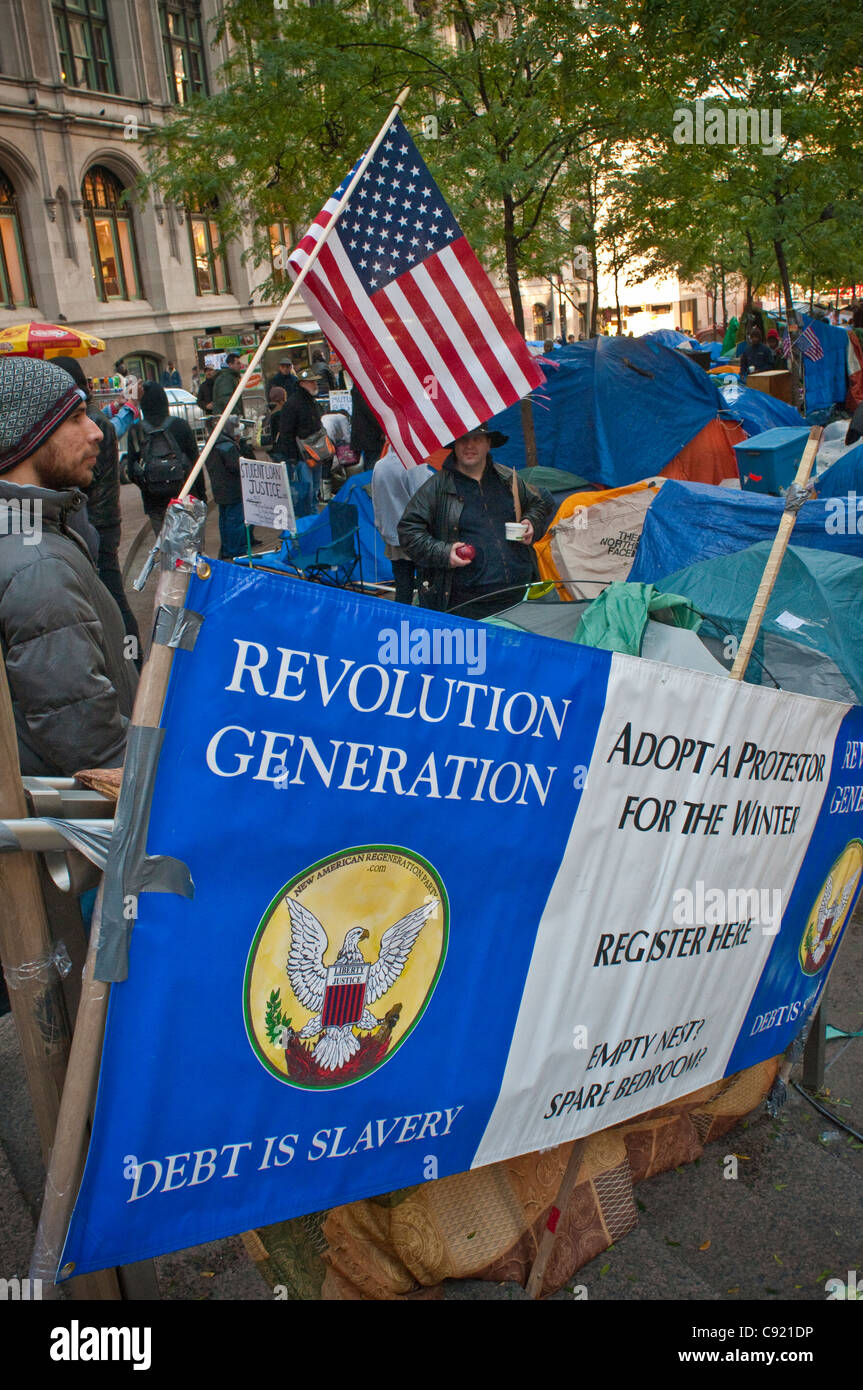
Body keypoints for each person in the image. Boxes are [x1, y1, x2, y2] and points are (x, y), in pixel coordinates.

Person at [0, 356, 137, 775]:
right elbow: (94, 750)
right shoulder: (37, 566)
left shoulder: (37, 537)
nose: (96, 431)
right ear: (29, 434)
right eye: (75, 418)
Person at [398, 424, 553, 617]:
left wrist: (531, 522)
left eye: (477, 439)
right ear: (454, 445)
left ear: (488, 444)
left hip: (520, 596)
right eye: (463, 439)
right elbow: (408, 532)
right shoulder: (436, 488)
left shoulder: (507, 478)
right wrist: (444, 553)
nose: (469, 445)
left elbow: (540, 503)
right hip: (468, 603)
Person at [50, 356, 140, 650]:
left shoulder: (93, 420)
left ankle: (132, 658)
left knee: (112, 596)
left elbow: (91, 475)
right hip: (97, 518)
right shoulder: (90, 416)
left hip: (98, 520)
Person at [126, 382, 205, 535]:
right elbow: (196, 463)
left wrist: (150, 485)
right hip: (185, 496)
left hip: (155, 502)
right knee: (189, 547)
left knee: (164, 548)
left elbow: (132, 470)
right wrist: (201, 495)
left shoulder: (136, 431)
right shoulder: (180, 426)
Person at [372, 447, 432, 604]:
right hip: (418, 536)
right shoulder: (413, 464)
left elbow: (377, 504)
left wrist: (383, 529)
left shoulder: (379, 465)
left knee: (403, 587)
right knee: (426, 587)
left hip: (393, 535)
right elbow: (423, 499)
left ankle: (401, 624)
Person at [276, 368, 325, 517]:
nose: (315, 384)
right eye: (312, 381)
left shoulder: (309, 401)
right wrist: (293, 458)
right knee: (308, 492)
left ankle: (312, 519)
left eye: (315, 381)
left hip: (314, 454)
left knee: (313, 491)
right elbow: (286, 433)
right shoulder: (294, 404)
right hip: (303, 457)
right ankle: (308, 522)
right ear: (303, 383)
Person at [204, 416, 250, 560]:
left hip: (220, 489)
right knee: (235, 522)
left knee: (224, 520)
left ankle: (227, 548)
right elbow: (236, 467)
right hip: (232, 489)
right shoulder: (227, 446)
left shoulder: (213, 442)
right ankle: (236, 550)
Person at [349, 385, 386, 469]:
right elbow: (370, 412)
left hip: (369, 435)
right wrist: (382, 429)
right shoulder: (363, 387)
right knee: (373, 464)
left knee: (372, 463)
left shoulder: (361, 386)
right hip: (371, 436)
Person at [211, 352, 245, 417]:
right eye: (238, 363)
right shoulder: (226, 378)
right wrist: (237, 414)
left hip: (228, 416)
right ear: (230, 365)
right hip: (227, 418)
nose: (240, 366)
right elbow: (226, 398)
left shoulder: (231, 377)